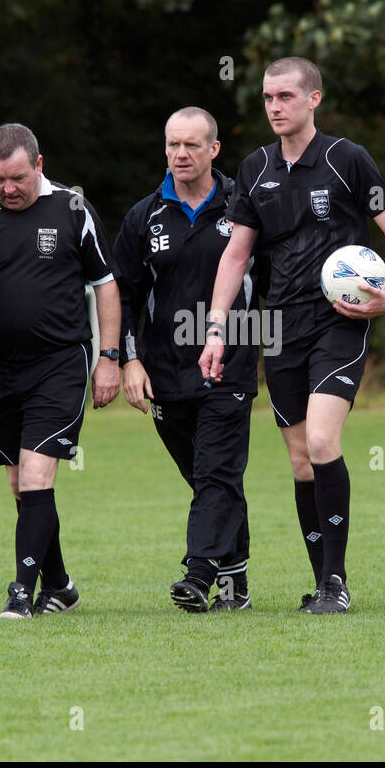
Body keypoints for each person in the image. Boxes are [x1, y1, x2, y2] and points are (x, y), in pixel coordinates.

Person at [198, 57, 385, 614]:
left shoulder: (347, 161)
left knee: (321, 442)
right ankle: (321, 583)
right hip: (279, 326)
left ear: (313, 99)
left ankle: (337, 582)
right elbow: (236, 254)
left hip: (339, 323)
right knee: (299, 461)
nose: (274, 106)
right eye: (268, 97)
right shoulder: (254, 169)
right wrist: (217, 328)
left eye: (286, 96)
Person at [0, 123, 122, 620]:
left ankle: (22, 593)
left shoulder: (72, 208)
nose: (8, 189)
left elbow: (105, 284)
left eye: (17, 177)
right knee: (19, 485)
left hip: (59, 363)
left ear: (39, 164)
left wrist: (109, 357)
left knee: (37, 477)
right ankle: (60, 585)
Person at [113, 107, 261, 613]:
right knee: (206, 476)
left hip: (232, 359)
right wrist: (127, 361)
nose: (180, 154)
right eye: (173, 144)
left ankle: (199, 575)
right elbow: (123, 296)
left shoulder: (247, 206)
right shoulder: (144, 216)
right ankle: (235, 583)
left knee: (217, 470)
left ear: (214, 149)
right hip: (163, 370)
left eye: (192, 145)